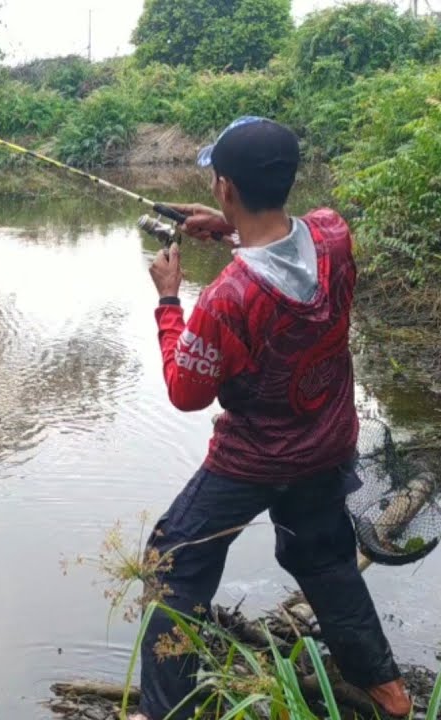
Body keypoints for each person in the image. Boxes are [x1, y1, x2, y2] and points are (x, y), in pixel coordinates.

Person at [133, 116, 413, 720]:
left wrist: (167, 299)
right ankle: (391, 695)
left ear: (225, 188)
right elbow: (292, 245)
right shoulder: (334, 233)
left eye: (217, 183)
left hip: (254, 458)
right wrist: (234, 231)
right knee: (323, 559)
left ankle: (165, 712)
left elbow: (186, 391)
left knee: (171, 564)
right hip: (328, 441)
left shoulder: (228, 298)